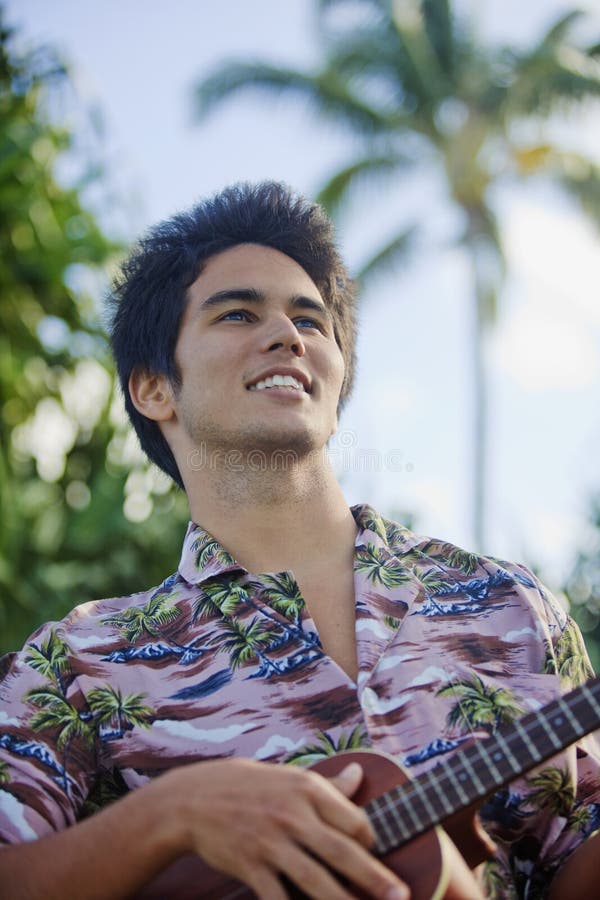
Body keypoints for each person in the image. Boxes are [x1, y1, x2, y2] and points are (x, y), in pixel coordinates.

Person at [0, 182, 599, 900]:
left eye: (311, 322)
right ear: (155, 387)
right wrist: (170, 814)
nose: (289, 334)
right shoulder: (78, 664)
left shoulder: (511, 604)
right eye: (238, 313)